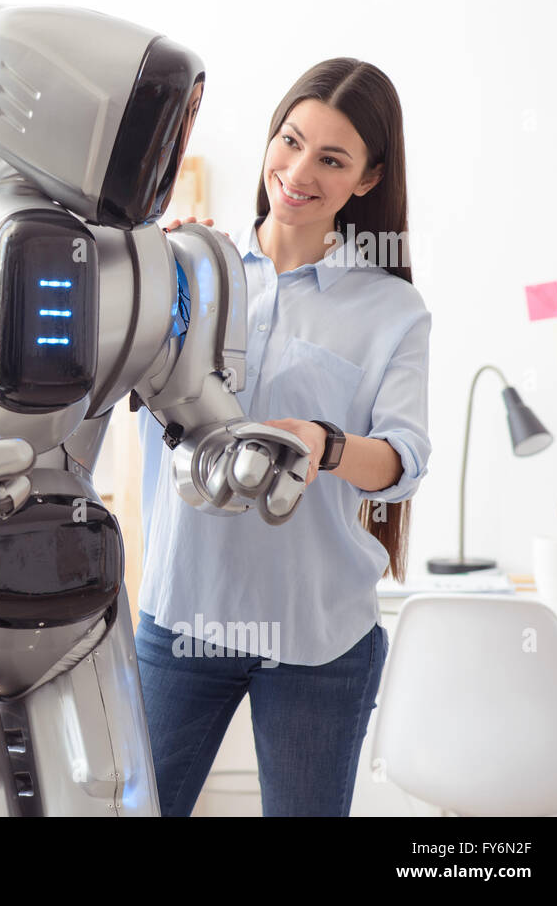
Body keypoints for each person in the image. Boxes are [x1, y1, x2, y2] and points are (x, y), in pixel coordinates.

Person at [135, 58, 432, 816]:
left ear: (367, 179)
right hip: (183, 615)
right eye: (290, 141)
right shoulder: (184, 267)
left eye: (332, 159)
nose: (298, 172)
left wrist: (325, 444)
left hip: (318, 637)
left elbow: (403, 461)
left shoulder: (391, 309)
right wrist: (137, 270)